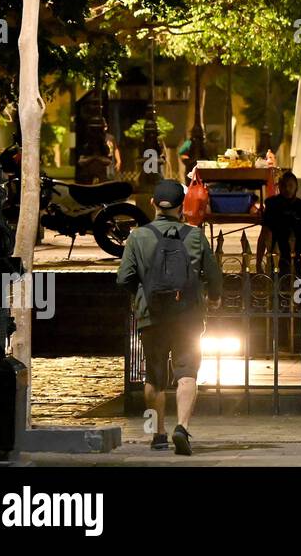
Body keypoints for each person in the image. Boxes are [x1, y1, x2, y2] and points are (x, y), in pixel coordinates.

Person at [116, 180, 223, 456]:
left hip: (151, 316)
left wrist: (142, 294)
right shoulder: (196, 236)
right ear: (182, 207)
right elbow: (213, 275)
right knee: (187, 373)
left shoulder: (138, 237)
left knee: (154, 376)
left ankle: (159, 433)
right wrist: (213, 297)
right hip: (187, 316)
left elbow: (124, 278)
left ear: (153, 204)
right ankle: (182, 427)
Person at [256, 171, 301, 275]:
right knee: (276, 289)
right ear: (279, 187)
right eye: (283, 185)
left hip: (300, 258)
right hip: (277, 257)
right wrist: (258, 262)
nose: (287, 189)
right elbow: (264, 234)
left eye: (290, 185)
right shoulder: (272, 205)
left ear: (296, 187)